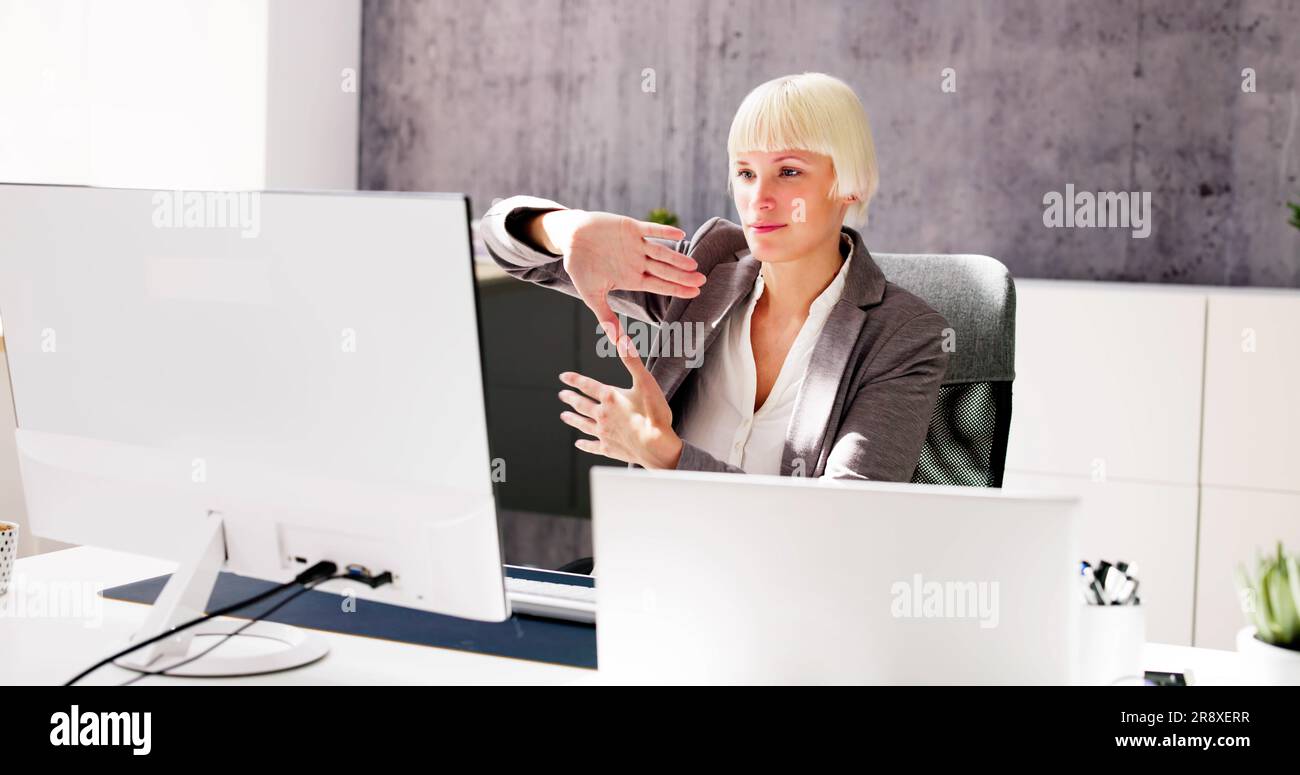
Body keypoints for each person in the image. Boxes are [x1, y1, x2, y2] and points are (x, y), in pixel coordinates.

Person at [480, 72, 949, 480]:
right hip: (647, 564)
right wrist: (565, 229)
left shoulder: (904, 337)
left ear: (851, 184)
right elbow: (506, 247)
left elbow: (843, 520)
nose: (759, 199)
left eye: (788, 171)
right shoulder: (707, 271)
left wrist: (668, 457)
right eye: (745, 173)